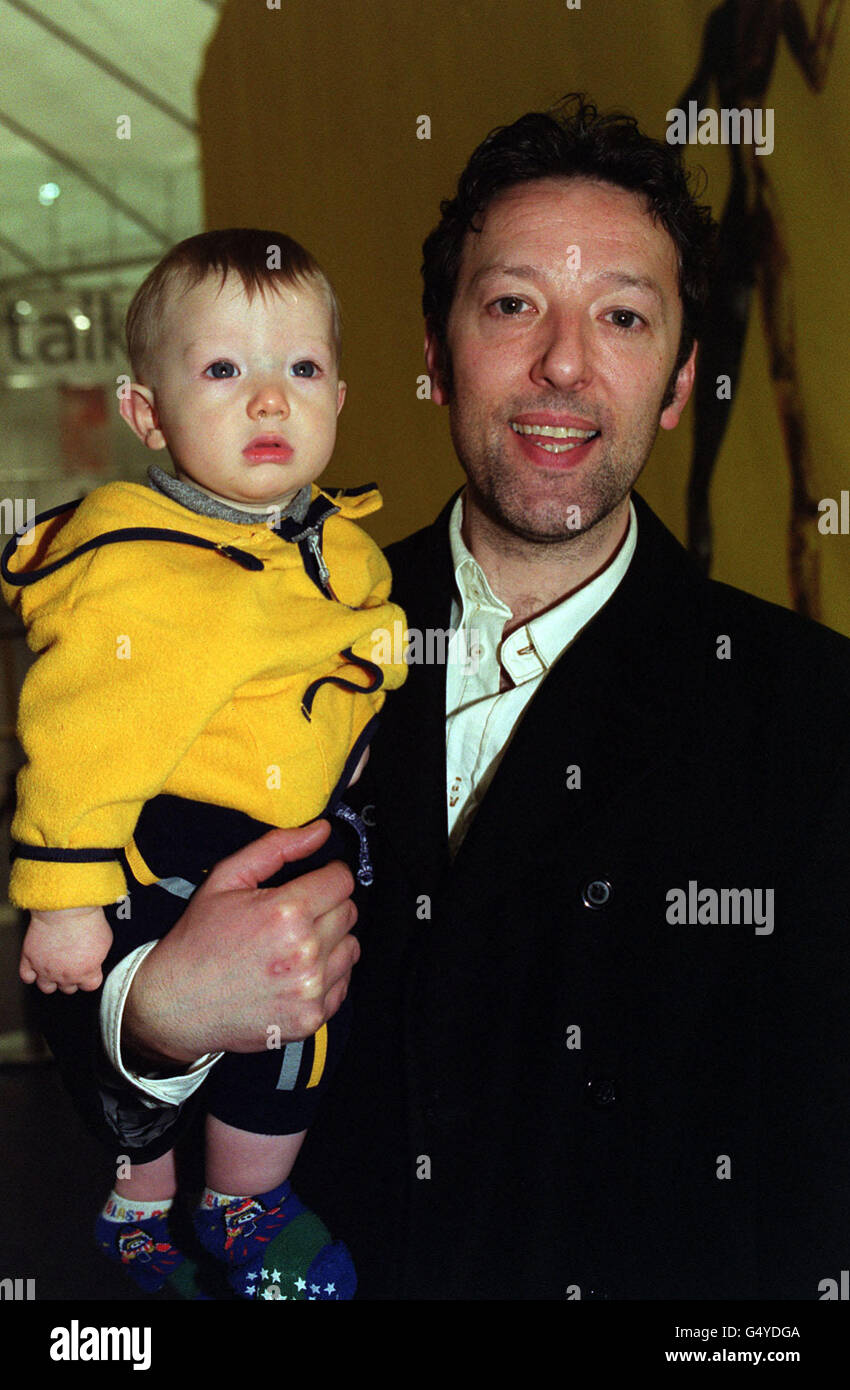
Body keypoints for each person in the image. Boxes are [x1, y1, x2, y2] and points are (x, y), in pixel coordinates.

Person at [26, 95, 850, 1300]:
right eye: (512, 304)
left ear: (678, 380)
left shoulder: (812, 714)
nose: (563, 361)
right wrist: (154, 1014)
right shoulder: (232, 623)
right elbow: (72, 952)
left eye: (622, 316)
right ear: (430, 351)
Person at [1, 229, 407, 1300]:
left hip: (287, 836)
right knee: (195, 1022)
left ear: (341, 394)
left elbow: (358, 657)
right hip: (161, 837)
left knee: (296, 1024)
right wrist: (63, 897)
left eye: (300, 370)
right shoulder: (134, 565)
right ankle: (147, 1202)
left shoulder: (337, 541)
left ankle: (236, 1203)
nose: (269, 401)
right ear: (147, 415)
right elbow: (80, 734)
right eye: (224, 370)